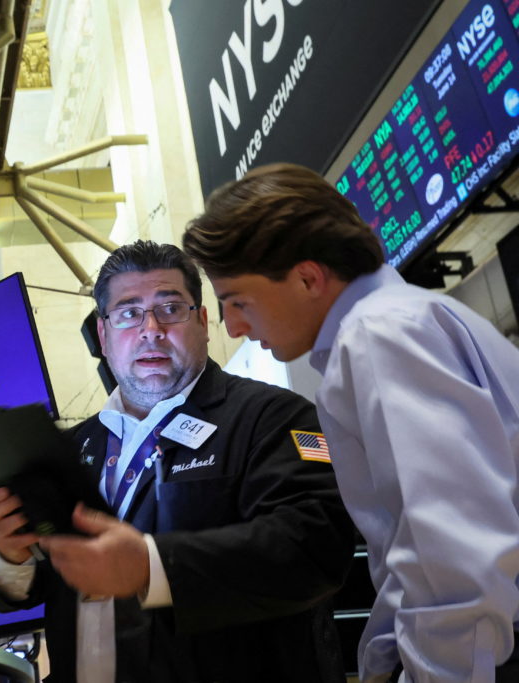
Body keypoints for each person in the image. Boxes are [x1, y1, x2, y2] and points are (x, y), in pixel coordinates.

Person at [181, 162, 519, 683]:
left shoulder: (379, 336)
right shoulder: (392, 323)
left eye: (238, 302)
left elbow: (457, 559)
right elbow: (412, 557)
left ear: (308, 278)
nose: (235, 327)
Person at [0, 240, 356, 682]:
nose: (151, 329)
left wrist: (150, 566)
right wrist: (7, 552)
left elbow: (314, 547)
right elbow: (21, 589)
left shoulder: (272, 418)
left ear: (204, 322)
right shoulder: (70, 448)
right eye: (129, 313)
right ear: (103, 335)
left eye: (170, 308)